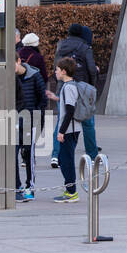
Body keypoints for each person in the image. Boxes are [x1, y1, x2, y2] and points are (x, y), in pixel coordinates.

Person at [54, 23, 99, 161]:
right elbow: (91, 69)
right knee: (87, 123)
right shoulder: (85, 48)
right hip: (81, 89)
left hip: (63, 87)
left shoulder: (61, 46)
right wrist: (91, 85)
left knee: (61, 122)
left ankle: (56, 156)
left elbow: (56, 67)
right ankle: (92, 155)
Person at [14, 53, 46, 202]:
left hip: (30, 121)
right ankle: (17, 187)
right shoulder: (10, 78)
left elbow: (43, 100)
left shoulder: (34, 76)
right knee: (13, 155)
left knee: (28, 156)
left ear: (19, 61)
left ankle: (30, 187)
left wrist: (36, 120)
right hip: (15, 122)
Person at [52, 57, 82, 202]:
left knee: (66, 161)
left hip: (69, 130)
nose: (55, 72)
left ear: (64, 71)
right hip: (71, 129)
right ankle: (69, 188)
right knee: (64, 160)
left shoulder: (69, 87)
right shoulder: (70, 86)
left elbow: (70, 111)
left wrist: (61, 131)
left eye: (57, 70)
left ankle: (71, 192)